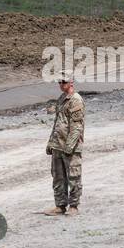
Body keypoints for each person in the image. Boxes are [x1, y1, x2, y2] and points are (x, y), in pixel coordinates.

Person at [45, 74, 84, 216]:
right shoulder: (61, 99)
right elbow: (57, 123)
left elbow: (77, 127)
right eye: (59, 82)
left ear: (71, 82)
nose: (61, 84)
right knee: (58, 176)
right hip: (58, 144)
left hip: (70, 146)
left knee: (73, 176)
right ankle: (60, 205)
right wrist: (51, 142)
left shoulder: (76, 100)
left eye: (64, 82)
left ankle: (74, 206)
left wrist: (70, 146)